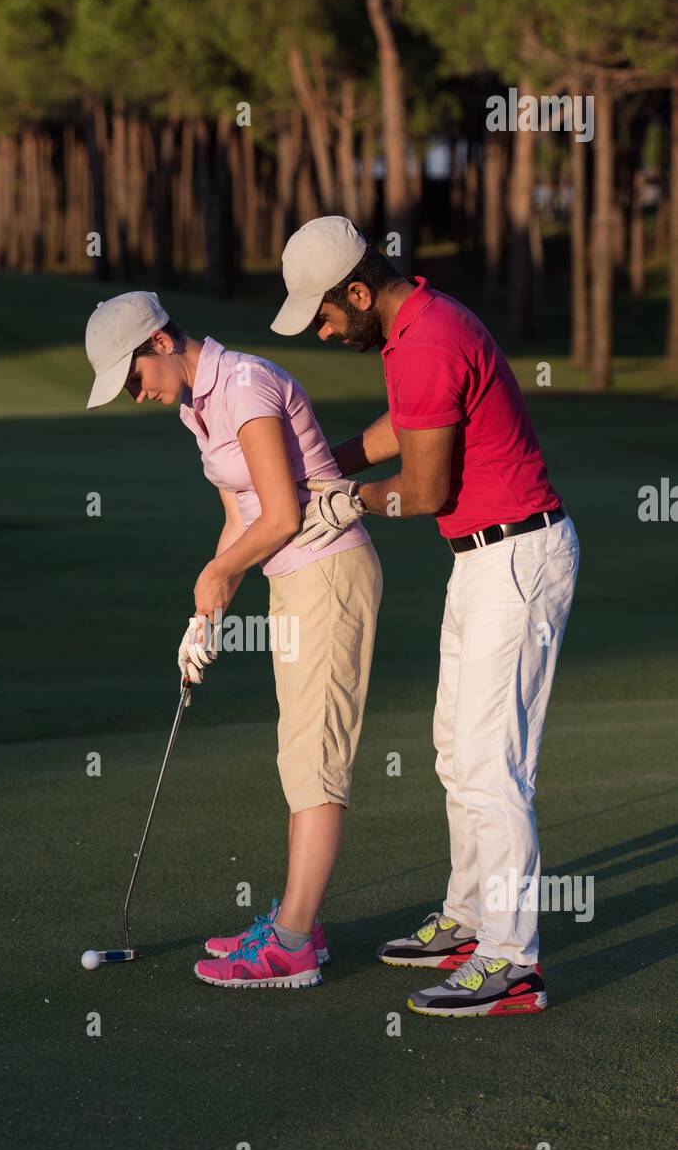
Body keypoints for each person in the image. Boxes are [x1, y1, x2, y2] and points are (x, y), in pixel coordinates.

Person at [271, 216, 579, 1017]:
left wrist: (344, 503)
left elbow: (427, 488)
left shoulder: (429, 338)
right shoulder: (413, 330)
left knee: (490, 766)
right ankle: (473, 918)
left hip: (516, 557)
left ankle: (512, 961)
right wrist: (323, 463)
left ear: (359, 291)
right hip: (482, 558)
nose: (325, 331)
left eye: (327, 315)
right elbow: (402, 428)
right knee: (453, 749)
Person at [84, 290, 383, 989]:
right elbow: (241, 516)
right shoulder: (199, 405)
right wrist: (205, 618)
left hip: (328, 572)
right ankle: (295, 923)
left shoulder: (244, 385)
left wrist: (218, 572)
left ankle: (292, 944)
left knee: (314, 756)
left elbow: (280, 515)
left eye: (131, 378)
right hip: (293, 577)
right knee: (296, 751)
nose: (135, 396)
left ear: (158, 342)